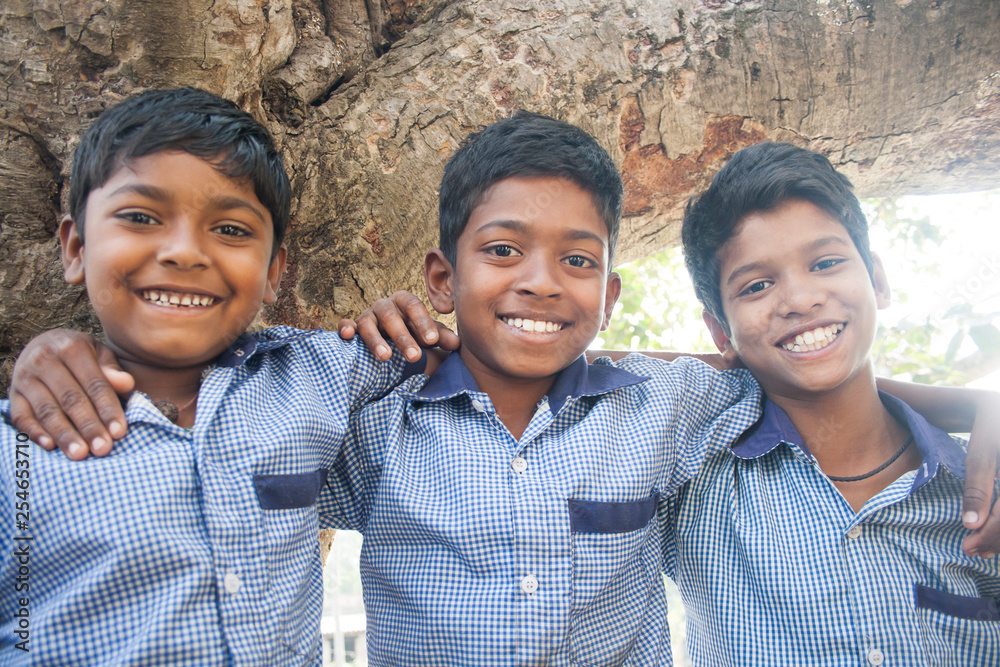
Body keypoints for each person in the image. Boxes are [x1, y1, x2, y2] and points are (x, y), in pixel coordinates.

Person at [9, 113, 1000, 665]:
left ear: (611, 296)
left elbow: (794, 369)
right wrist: (53, 348)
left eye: (575, 261)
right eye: (500, 251)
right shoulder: (363, 410)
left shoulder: (663, 407)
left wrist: (981, 400)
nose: (536, 281)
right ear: (442, 280)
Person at [0, 87, 430, 665]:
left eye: (230, 230)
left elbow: (476, 363)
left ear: (275, 270)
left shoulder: (319, 373)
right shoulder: (20, 452)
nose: (184, 251)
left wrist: (405, 327)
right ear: (76, 247)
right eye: (140, 217)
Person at [668, 142, 1000, 664]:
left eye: (825, 262)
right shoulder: (696, 473)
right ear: (718, 332)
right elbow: (562, 360)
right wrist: (968, 402)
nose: (800, 299)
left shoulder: (981, 490)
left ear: (878, 280)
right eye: (756, 286)